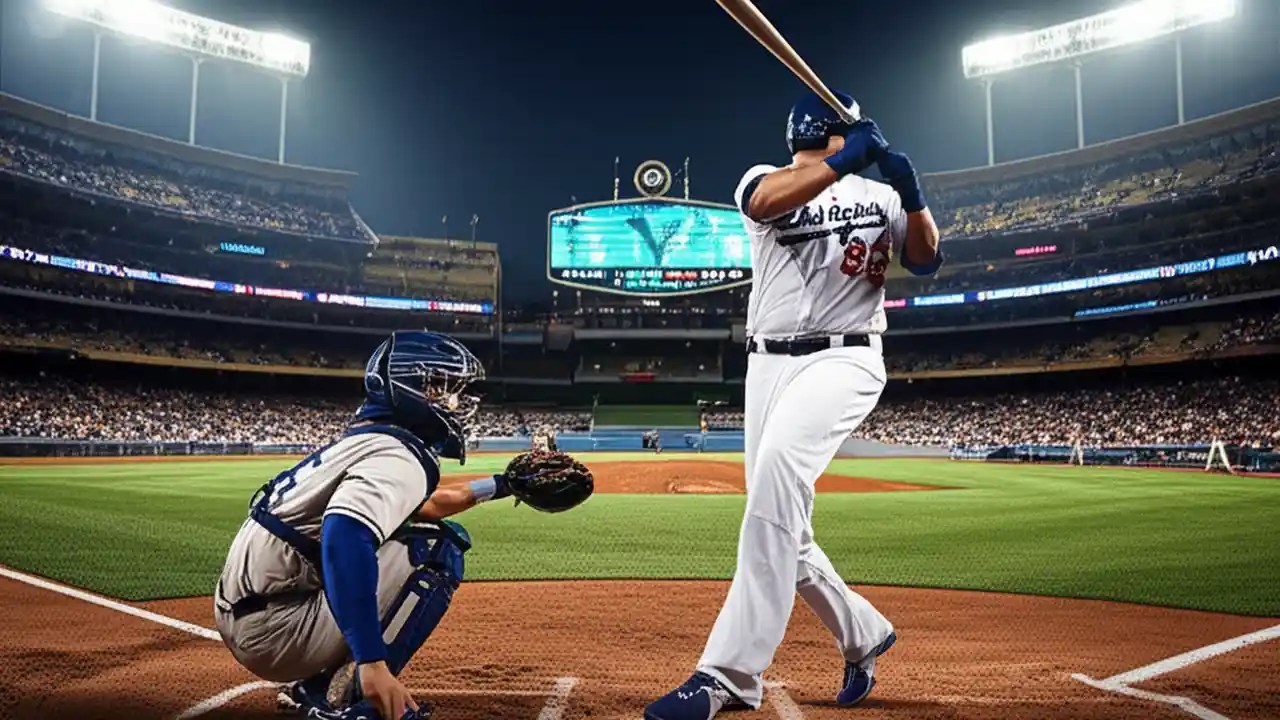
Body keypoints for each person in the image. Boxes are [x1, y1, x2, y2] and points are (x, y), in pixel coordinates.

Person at [645, 90, 942, 720]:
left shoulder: (883, 197)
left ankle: (727, 674)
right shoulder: (766, 179)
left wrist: (911, 195)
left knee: (778, 475)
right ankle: (863, 632)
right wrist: (846, 158)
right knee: (781, 518)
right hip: (767, 364)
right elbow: (767, 203)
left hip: (846, 355)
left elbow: (925, 259)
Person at [214, 331, 518, 720]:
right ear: (404, 388)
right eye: (438, 387)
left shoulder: (371, 441)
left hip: (252, 609)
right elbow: (344, 535)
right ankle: (352, 702)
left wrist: (503, 484)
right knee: (437, 549)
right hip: (276, 630)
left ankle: (313, 687)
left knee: (403, 533)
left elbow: (425, 505)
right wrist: (372, 662)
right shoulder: (398, 454)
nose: (453, 402)